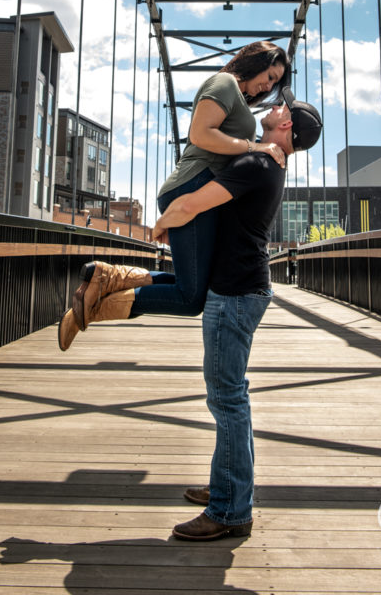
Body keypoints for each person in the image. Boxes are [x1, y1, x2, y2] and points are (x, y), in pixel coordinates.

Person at [150, 87, 323, 540]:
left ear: (286, 125)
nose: (273, 105)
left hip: (233, 295)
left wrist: (164, 220)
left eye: (281, 105)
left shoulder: (256, 163)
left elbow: (189, 205)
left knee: (227, 401)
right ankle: (229, 485)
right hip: (244, 290)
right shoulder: (271, 164)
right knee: (232, 399)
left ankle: (229, 512)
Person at [58, 41, 290, 351]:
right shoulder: (224, 82)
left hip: (197, 186)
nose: (269, 85)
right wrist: (256, 147)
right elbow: (200, 134)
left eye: (275, 81)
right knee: (190, 299)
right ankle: (96, 304)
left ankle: (108, 278)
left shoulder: (237, 96)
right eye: (270, 75)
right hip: (192, 184)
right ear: (256, 60)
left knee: (193, 288)